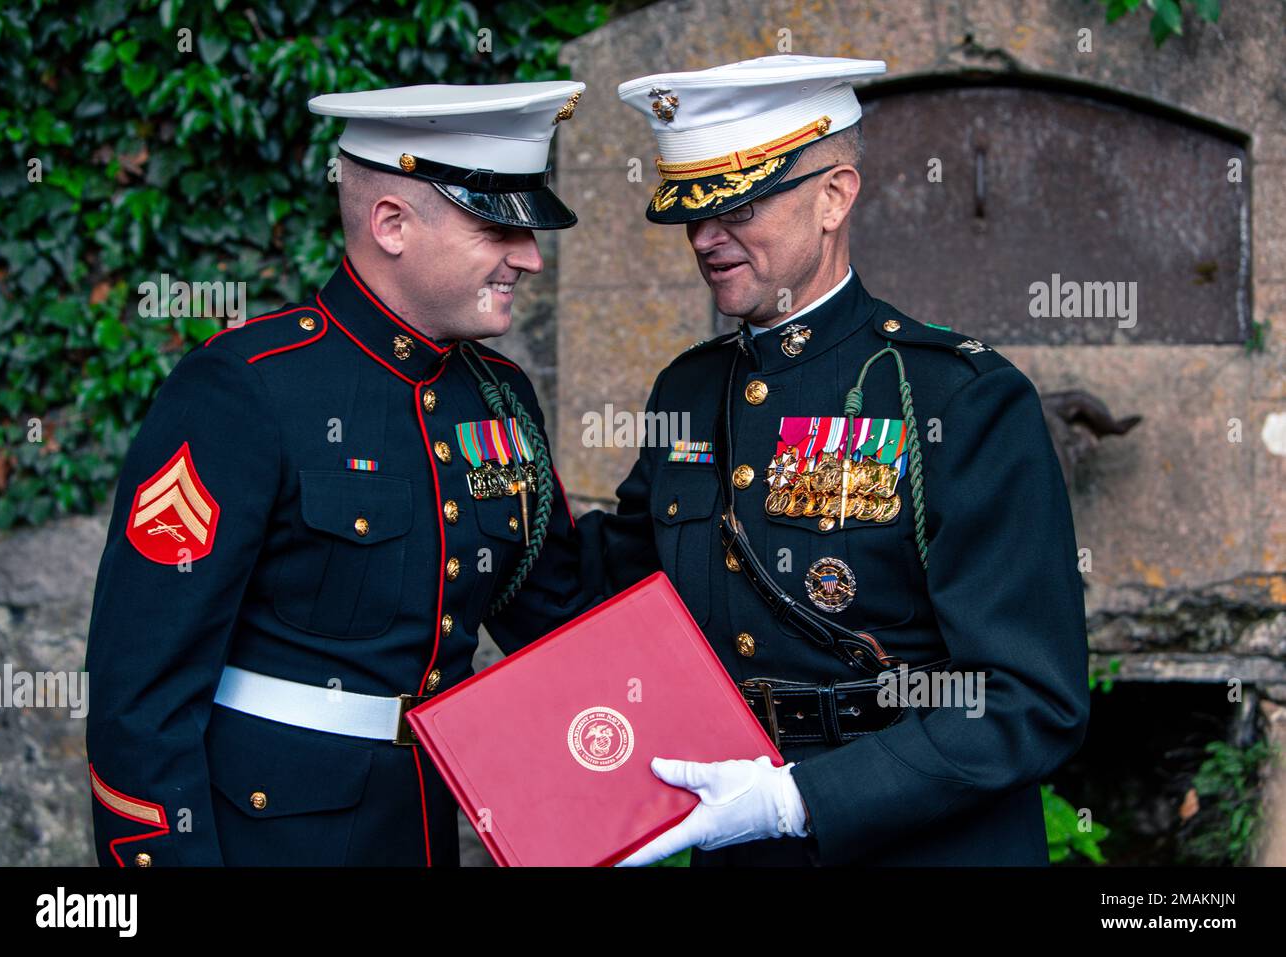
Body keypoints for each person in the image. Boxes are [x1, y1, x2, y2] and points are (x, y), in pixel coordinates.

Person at [578, 55, 1091, 866]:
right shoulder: (691, 387)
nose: (707, 238)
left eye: (738, 205)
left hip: (925, 846)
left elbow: (1030, 698)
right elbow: (618, 594)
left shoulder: (956, 396)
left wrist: (798, 800)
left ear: (833, 196)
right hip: (742, 840)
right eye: (691, 212)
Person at [83, 79, 590, 866]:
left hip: (420, 825)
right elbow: (138, 696)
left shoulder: (500, 397)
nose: (528, 257)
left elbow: (562, 613)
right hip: (272, 838)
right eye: (497, 228)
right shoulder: (246, 386)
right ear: (391, 223)